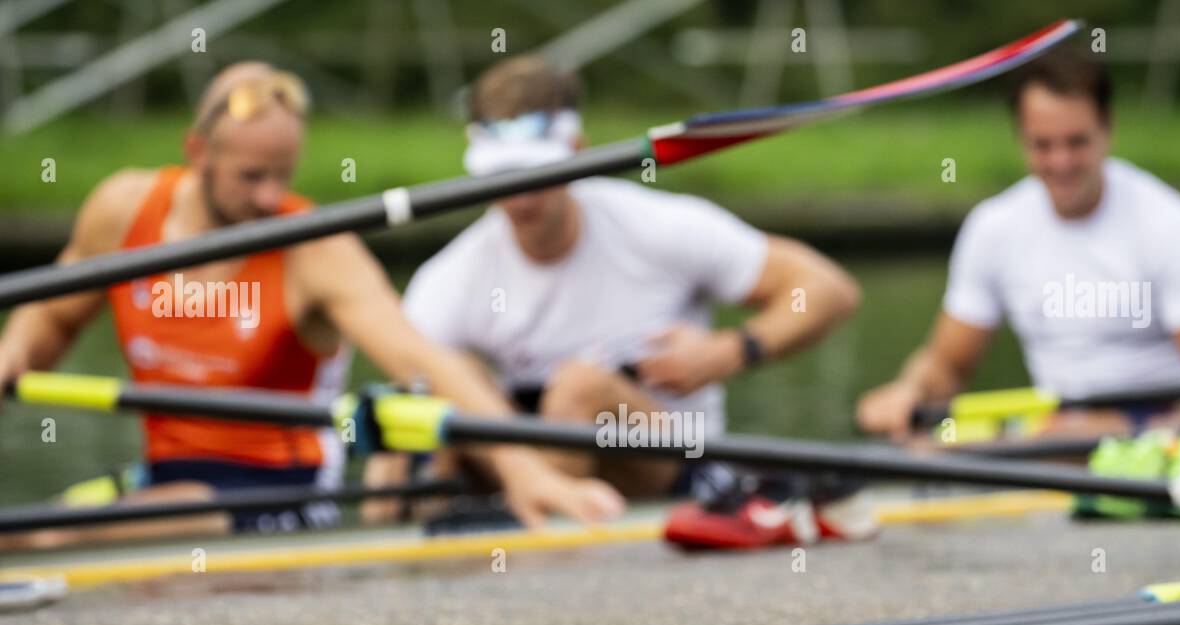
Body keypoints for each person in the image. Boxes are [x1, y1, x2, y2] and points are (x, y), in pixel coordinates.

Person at [0, 62, 622, 549]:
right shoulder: (123, 210)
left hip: (281, 493)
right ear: (198, 152)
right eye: (251, 177)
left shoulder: (314, 248)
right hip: (166, 478)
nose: (272, 198)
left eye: (284, 174)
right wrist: (15, 350)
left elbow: (423, 362)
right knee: (25, 533)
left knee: (53, 536)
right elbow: (51, 313)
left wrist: (523, 473)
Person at [366, 56, 861, 529]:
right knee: (430, 392)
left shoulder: (656, 226)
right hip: (529, 465)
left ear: (577, 152)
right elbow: (409, 387)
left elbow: (826, 289)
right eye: (499, 177)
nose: (518, 197)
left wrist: (733, 350)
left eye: (534, 174)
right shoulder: (455, 274)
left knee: (580, 389)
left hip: (676, 465)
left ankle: (542, 522)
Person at [856, 50, 1180, 444]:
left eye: (1076, 143)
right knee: (927, 447)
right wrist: (912, 389)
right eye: (1042, 145)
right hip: (1052, 435)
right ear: (1020, 137)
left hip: (1159, 437)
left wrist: (1130, 432)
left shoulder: (1170, 226)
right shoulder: (993, 228)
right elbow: (947, 365)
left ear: (1106, 129)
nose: (1061, 163)